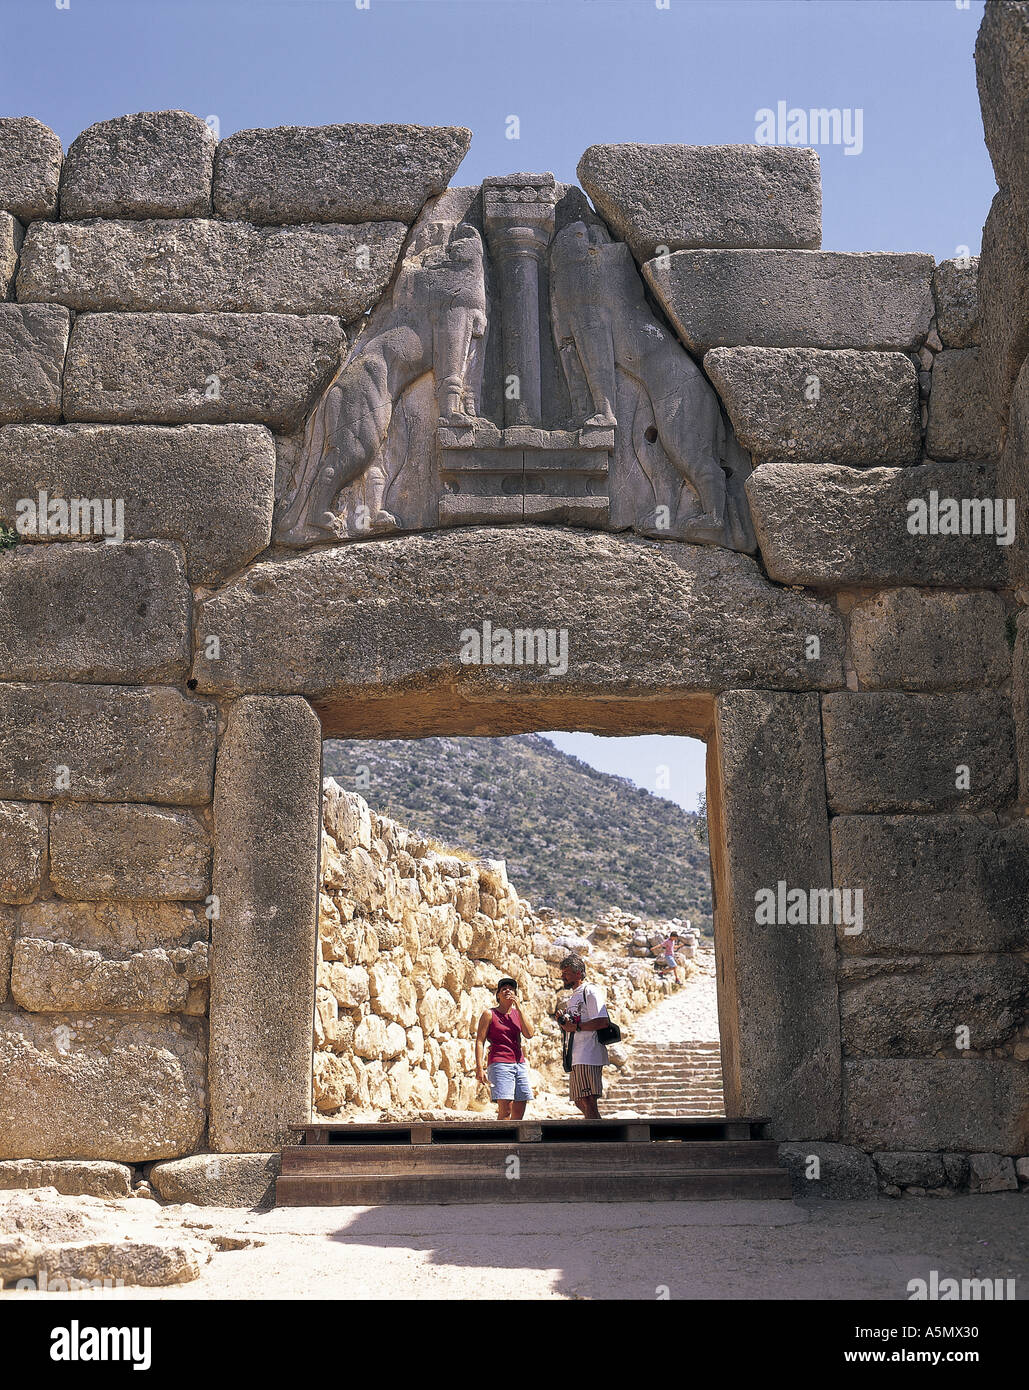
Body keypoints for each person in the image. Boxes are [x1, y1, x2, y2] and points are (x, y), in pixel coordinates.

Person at [556, 953, 610, 1119]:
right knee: (580, 1100)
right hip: (577, 1055)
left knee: (588, 1099)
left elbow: (603, 1021)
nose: (562, 976)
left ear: (578, 973)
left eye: (566, 973)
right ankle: (597, 1134)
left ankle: (598, 1139)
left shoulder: (590, 991)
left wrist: (576, 1026)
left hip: (589, 1053)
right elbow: (573, 1027)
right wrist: (564, 1022)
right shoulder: (574, 996)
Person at [475, 978, 534, 1119]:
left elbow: (529, 1034)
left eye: (511, 988)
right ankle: (501, 1139)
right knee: (506, 1110)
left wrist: (519, 1008)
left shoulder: (517, 1014)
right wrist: (479, 1067)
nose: (508, 990)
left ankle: (514, 1140)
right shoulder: (489, 1014)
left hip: (519, 1063)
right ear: (498, 995)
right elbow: (479, 1041)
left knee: (520, 1108)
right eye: (504, 989)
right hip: (500, 1063)